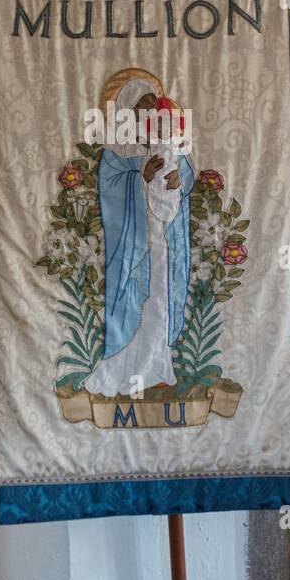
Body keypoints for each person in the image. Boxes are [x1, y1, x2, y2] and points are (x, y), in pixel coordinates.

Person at [84, 75, 194, 396]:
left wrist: (175, 181)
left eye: (150, 112)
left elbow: (185, 177)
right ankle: (122, 370)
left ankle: (157, 366)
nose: (146, 119)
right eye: (138, 112)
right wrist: (139, 178)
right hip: (132, 246)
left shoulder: (168, 145)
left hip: (162, 240)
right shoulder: (115, 152)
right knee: (135, 301)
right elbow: (109, 186)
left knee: (159, 297)